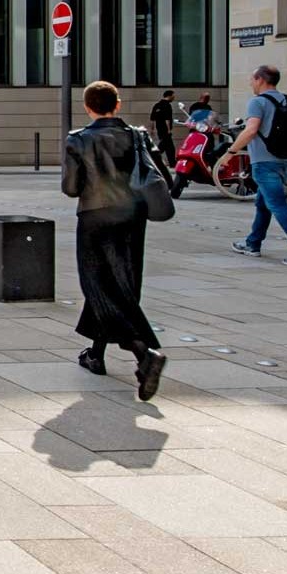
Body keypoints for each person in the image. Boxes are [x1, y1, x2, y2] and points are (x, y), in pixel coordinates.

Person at [60, 81, 170, 401]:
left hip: (95, 217)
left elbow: (70, 188)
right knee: (122, 283)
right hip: (132, 217)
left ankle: (144, 353)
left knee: (99, 286)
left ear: (87, 107)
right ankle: (96, 355)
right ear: (117, 104)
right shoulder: (138, 136)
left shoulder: (79, 140)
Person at [214, 65, 287, 266]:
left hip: (264, 162)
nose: (251, 83)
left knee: (277, 204)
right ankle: (253, 243)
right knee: (263, 204)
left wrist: (230, 152)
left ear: (260, 79)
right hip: (285, 161)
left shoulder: (258, 102)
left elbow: (251, 130)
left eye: (252, 80)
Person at [149, 90, 179, 172]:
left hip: (159, 129)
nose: (174, 98)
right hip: (165, 130)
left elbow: (152, 119)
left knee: (169, 147)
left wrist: (152, 129)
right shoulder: (167, 106)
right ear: (169, 96)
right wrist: (169, 130)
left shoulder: (157, 105)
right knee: (164, 146)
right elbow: (167, 119)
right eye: (173, 96)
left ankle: (172, 163)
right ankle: (152, 157)